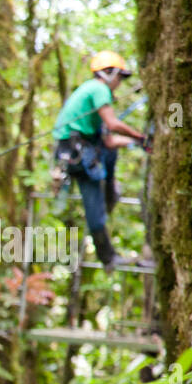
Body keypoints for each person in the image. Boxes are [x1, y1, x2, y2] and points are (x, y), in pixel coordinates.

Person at [52, 51, 149, 270]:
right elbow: (113, 124)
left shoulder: (91, 91)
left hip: (76, 151)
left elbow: (109, 140)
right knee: (95, 204)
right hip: (78, 152)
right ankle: (108, 255)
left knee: (96, 200)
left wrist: (136, 142)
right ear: (108, 73)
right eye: (119, 77)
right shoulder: (98, 89)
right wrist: (141, 137)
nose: (119, 84)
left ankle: (110, 195)